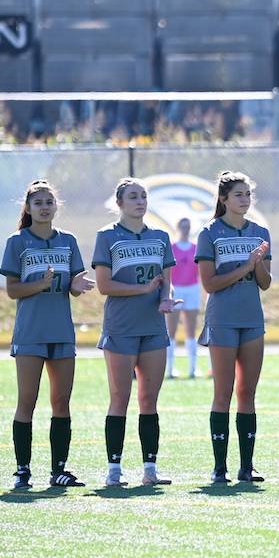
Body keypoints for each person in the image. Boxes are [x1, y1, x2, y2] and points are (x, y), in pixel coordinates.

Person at [1, 180, 95, 488]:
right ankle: (22, 470)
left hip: (62, 332)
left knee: (61, 402)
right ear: (28, 208)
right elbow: (12, 290)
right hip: (30, 332)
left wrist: (76, 286)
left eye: (49, 202)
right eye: (38, 203)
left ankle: (59, 471)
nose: (44, 207)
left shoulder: (68, 240)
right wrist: (39, 284)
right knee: (27, 401)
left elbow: (73, 285)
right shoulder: (17, 241)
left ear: (56, 207)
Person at [92, 177, 181, 486]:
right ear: (119, 203)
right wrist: (142, 289)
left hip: (153, 327)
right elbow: (104, 285)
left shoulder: (160, 236)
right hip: (121, 327)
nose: (140, 201)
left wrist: (166, 299)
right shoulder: (107, 236)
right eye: (133, 196)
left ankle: (150, 470)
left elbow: (166, 282)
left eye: (143, 196)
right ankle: (114, 470)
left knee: (149, 401)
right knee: (120, 398)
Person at [197, 171, 272, 483]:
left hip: (252, 320)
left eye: (248, 194)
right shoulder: (209, 233)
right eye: (239, 194)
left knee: (247, 394)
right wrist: (245, 266)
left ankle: (247, 466)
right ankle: (220, 467)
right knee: (223, 393)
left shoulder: (260, 232)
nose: (245, 200)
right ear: (223, 199)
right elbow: (210, 284)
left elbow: (265, 283)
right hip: (222, 320)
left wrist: (258, 265)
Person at [167, 217, 202, 379]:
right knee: (171, 331)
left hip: (193, 289)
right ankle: (170, 369)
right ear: (178, 228)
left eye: (188, 227)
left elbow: (200, 272)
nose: (186, 229)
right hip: (176, 290)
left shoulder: (196, 247)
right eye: (183, 227)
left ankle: (193, 369)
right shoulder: (172, 247)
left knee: (191, 331)